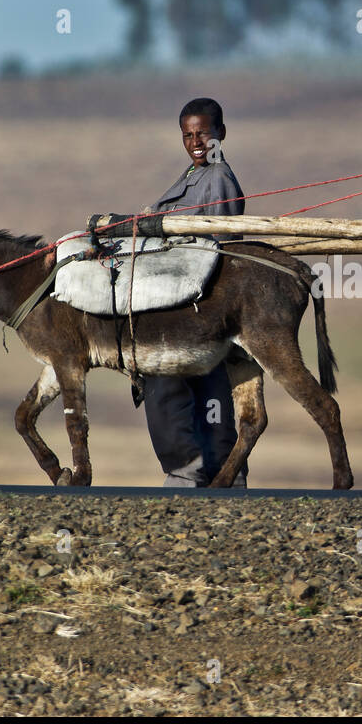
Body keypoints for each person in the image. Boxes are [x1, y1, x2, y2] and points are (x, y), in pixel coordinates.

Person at [139, 97, 249, 487]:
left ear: (222, 132)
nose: (195, 141)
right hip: (190, 300)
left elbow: (218, 249)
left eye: (203, 132)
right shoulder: (193, 175)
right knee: (209, 388)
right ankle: (222, 473)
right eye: (187, 134)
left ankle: (186, 469)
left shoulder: (216, 177)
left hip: (196, 300)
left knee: (160, 369)